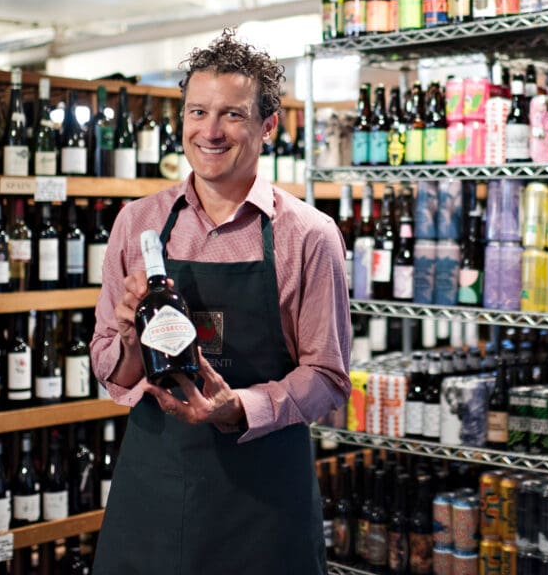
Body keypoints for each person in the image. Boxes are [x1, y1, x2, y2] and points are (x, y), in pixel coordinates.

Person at [90, 29, 352, 574]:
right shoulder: (137, 223)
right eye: (197, 112)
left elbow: (328, 376)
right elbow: (107, 365)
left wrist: (241, 408)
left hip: (263, 499)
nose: (210, 131)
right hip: (154, 491)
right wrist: (132, 341)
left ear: (268, 126)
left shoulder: (309, 235)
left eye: (232, 114)